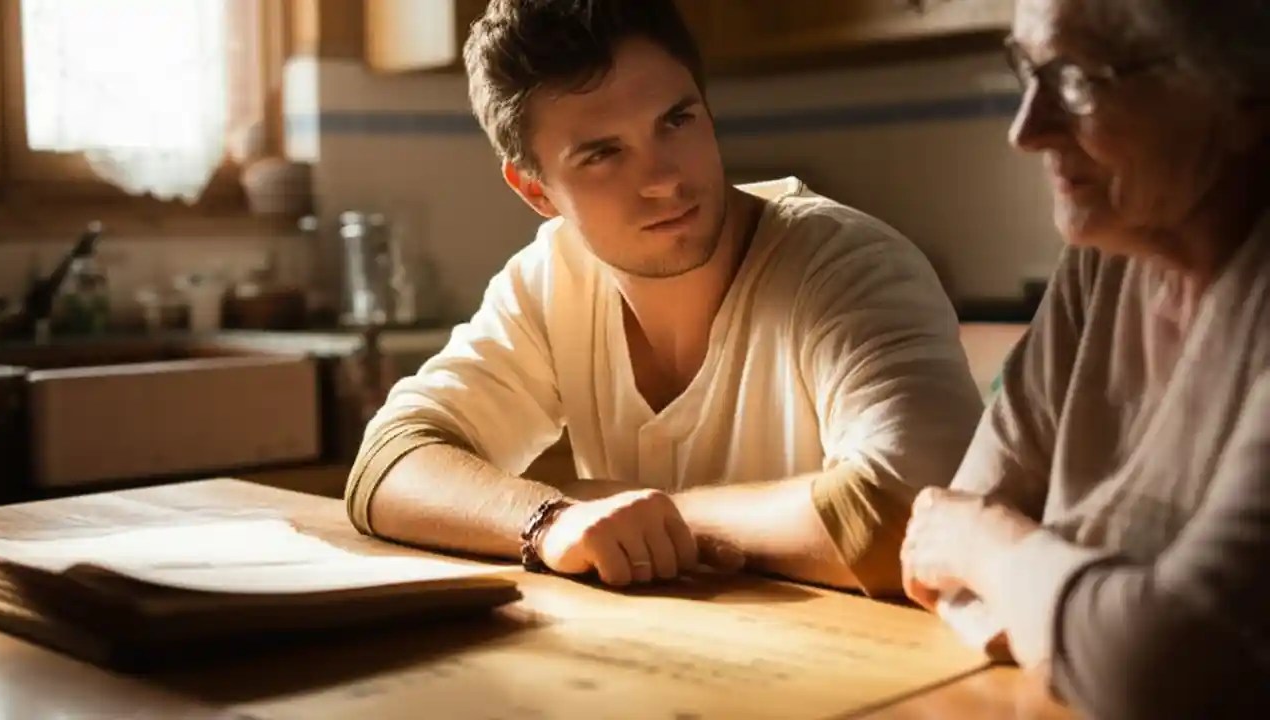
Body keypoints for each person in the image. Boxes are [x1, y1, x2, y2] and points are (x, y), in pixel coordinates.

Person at [346, 0, 982, 595]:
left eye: (676, 121)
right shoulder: (549, 280)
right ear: (535, 192)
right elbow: (388, 462)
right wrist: (551, 521)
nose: (664, 179)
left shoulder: (849, 268)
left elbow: (912, 516)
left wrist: (640, 515)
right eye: (603, 154)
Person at [900, 0, 1270, 716]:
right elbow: (936, 554)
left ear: (1245, 93)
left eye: (1077, 80)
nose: (1025, 131)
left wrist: (993, 547)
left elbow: (1164, 667)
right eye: (1029, 71)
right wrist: (1078, 610)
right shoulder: (1107, 253)